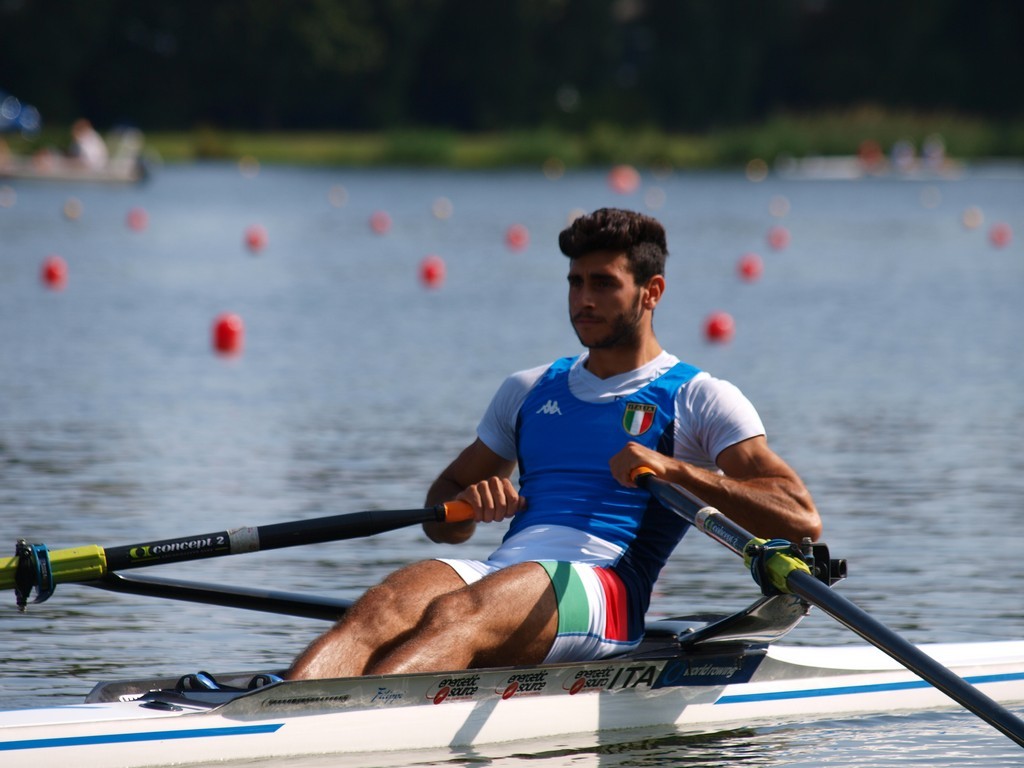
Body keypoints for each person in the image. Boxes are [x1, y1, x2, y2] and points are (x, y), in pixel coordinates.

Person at [287, 207, 821, 680]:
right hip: (501, 572)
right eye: (575, 282)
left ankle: (364, 718)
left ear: (651, 291)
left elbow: (799, 517)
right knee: (380, 609)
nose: (583, 300)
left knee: (456, 614)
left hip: (606, 587)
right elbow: (441, 515)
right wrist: (468, 509)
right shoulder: (527, 389)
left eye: (604, 284)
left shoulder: (700, 398)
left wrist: (676, 470)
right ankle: (283, 715)